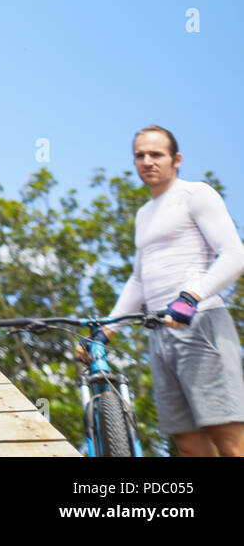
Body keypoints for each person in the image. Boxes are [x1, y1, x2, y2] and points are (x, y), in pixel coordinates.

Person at [91, 126, 244, 456]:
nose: (147, 161)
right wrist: (108, 328)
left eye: (156, 154)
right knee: (187, 442)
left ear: (176, 159)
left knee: (227, 435)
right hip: (160, 334)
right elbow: (138, 281)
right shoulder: (144, 215)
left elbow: (234, 254)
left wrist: (191, 296)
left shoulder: (196, 194)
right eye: (140, 155)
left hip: (201, 325)